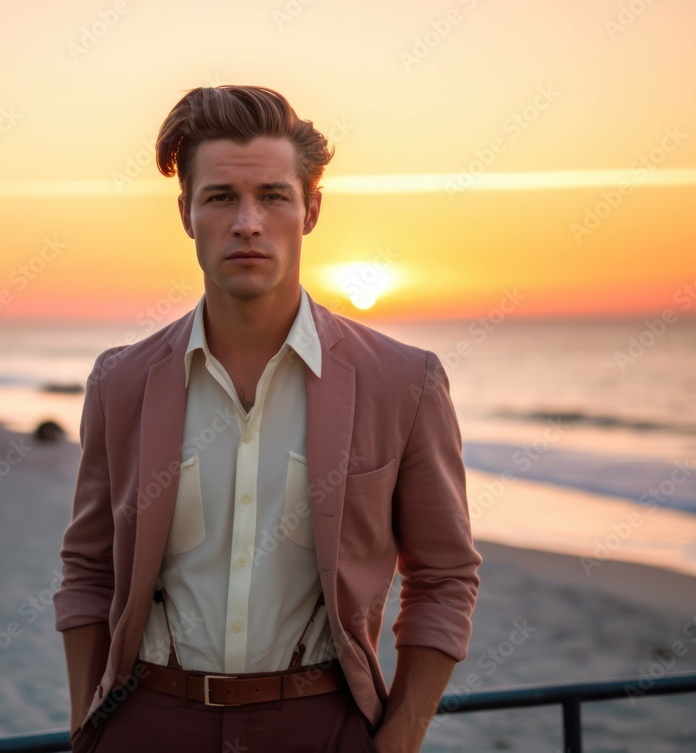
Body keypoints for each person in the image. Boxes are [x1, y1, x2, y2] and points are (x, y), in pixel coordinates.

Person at [53, 84, 481, 753]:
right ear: (187, 213)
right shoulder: (122, 383)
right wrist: (88, 728)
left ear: (311, 209)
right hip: (149, 721)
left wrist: (398, 740)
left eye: (273, 196)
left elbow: (444, 576)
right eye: (221, 197)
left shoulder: (404, 382)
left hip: (323, 724)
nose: (247, 222)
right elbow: (88, 569)